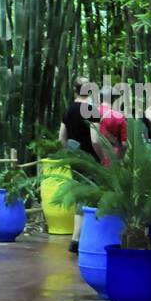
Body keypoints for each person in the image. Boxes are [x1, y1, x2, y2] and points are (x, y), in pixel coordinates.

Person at [59, 77, 103, 252]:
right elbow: (96, 140)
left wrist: (69, 153)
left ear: (74, 89)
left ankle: (76, 238)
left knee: (80, 196)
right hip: (91, 160)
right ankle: (82, 238)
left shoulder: (68, 110)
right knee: (91, 198)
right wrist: (102, 158)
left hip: (75, 160)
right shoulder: (91, 110)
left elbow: (61, 138)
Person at [98, 86, 127, 165]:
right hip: (112, 159)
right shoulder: (119, 117)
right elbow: (123, 145)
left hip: (90, 160)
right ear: (114, 99)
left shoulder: (91, 112)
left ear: (100, 98)